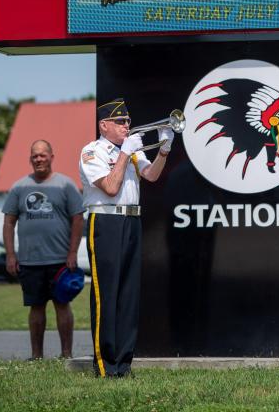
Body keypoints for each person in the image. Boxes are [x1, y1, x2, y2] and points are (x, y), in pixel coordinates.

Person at [79, 98, 173, 378]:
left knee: (128, 294)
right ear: (104, 125)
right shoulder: (92, 151)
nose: (127, 126)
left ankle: (124, 363)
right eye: (120, 122)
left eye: (128, 121)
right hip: (105, 220)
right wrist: (124, 154)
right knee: (106, 293)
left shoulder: (130, 150)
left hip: (131, 219)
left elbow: (152, 175)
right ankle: (105, 364)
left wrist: (164, 151)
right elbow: (109, 187)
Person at [2, 139, 84, 360]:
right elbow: (9, 222)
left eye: (42, 155)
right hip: (30, 260)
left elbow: (78, 219)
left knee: (62, 305)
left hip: (60, 260)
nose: (38, 159)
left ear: (51, 157)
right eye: (34, 155)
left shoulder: (65, 185)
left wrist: (72, 252)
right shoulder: (19, 187)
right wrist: (11, 255)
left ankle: (66, 354)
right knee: (36, 307)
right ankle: (36, 356)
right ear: (30, 159)